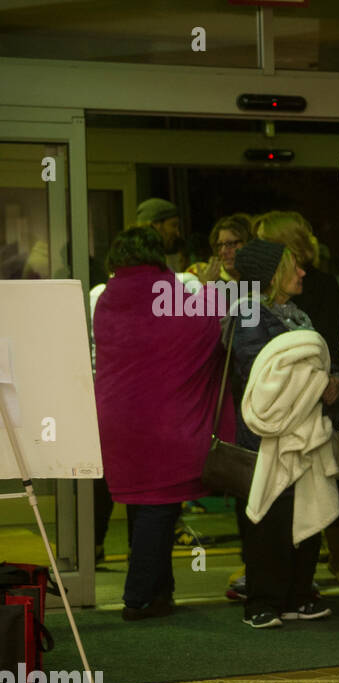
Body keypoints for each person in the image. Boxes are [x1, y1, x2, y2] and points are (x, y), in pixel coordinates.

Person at [92, 227, 232, 619]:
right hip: (164, 423)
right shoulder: (164, 292)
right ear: (156, 254)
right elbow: (204, 328)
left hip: (116, 420)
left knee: (142, 504)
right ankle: (136, 598)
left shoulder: (108, 298)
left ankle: (159, 592)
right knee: (159, 507)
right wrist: (207, 287)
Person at [230, 239, 336, 629]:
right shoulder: (248, 315)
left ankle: (298, 594)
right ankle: (263, 600)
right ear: (271, 275)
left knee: (304, 508)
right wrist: (319, 380)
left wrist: (333, 378)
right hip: (266, 439)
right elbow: (262, 380)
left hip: (305, 435)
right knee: (269, 516)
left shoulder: (296, 314)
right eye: (294, 267)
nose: (303, 272)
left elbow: (320, 363)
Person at [257, 211, 339, 584]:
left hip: (318, 400)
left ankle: (328, 567)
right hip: (284, 406)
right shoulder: (258, 298)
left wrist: (337, 378)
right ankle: (287, 579)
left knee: (320, 480)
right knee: (285, 489)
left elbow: (333, 341)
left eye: (267, 241)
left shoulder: (318, 285)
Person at [189, 214, 253, 283]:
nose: (223, 251)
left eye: (230, 244)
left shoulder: (260, 279)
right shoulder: (212, 281)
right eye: (220, 245)